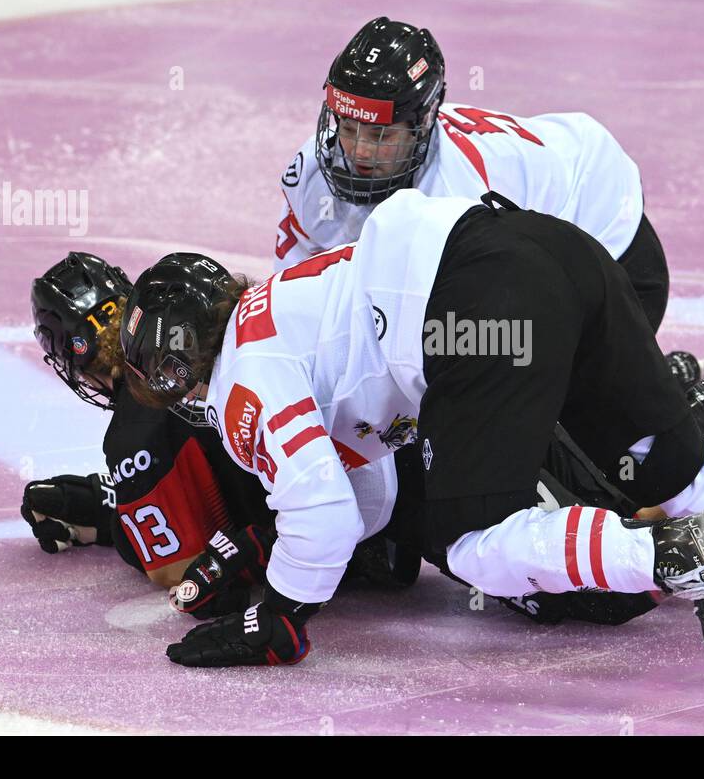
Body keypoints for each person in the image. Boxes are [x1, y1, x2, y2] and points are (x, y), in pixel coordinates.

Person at [121, 190, 704, 668]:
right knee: (684, 469)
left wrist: (277, 612)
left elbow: (331, 517)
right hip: (552, 252)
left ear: (171, 361)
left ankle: (683, 554)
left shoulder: (241, 375)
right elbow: (364, 495)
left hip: (473, 314)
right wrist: (298, 541)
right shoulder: (287, 303)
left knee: (472, 539)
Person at [21, 252, 415, 620]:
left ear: (75, 360)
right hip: (396, 429)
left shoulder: (133, 432)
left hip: (359, 523)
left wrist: (121, 531)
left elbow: (176, 567)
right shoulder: (208, 334)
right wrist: (113, 505)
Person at [274, 16, 671, 335]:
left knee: (523, 398)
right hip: (530, 245)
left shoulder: (456, 198)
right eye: (346, 126)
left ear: (422, 122)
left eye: (380, 134)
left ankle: (679, 409)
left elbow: (471, 337)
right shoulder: (311, 171)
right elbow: (292, 296)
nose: (358, 149)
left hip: (610, 246)